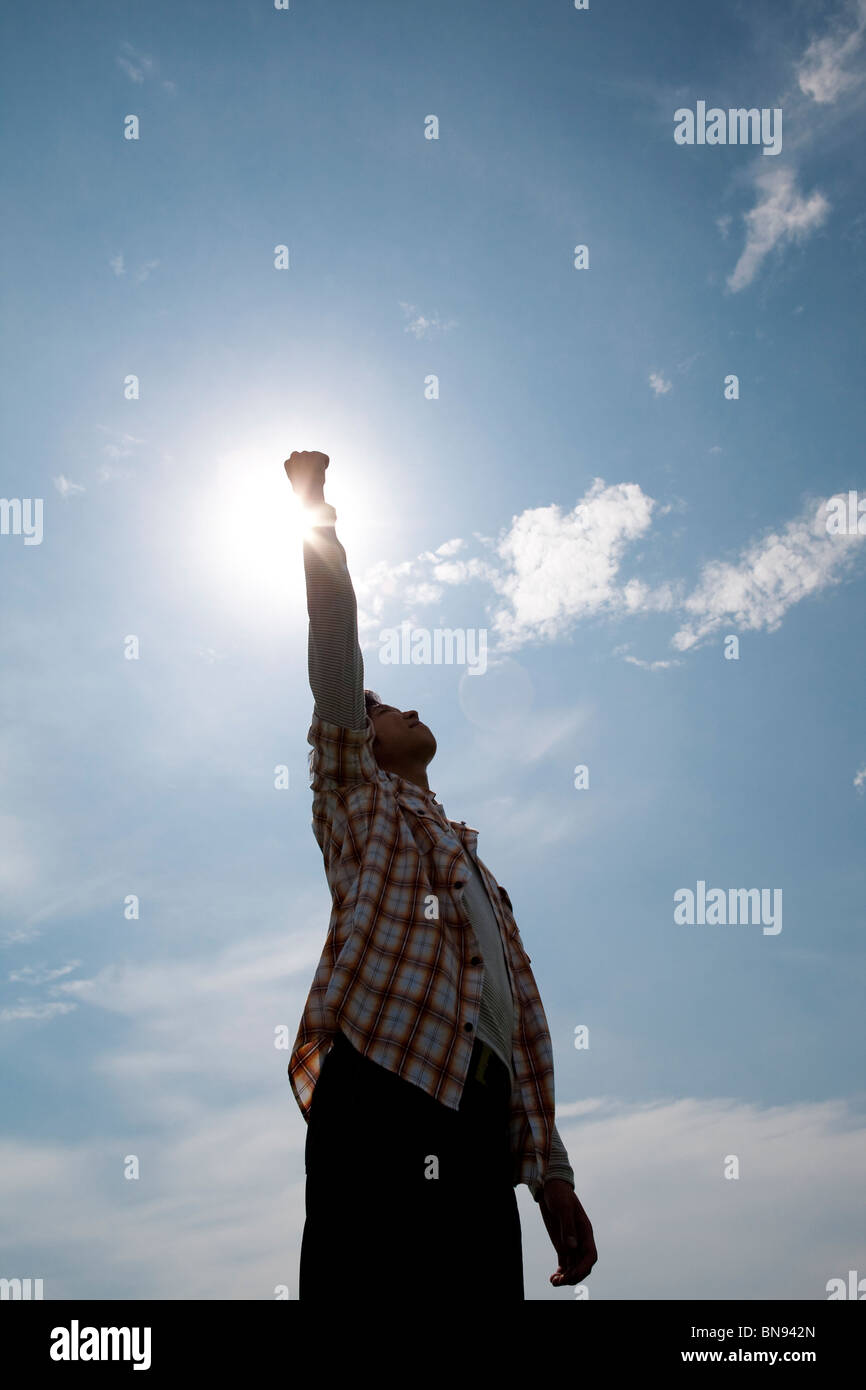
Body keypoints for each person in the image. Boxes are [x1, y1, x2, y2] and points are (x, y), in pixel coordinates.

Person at [284, 449, 597, 1301]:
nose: (406, 709)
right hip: (381, 1089)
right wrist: (316, 513)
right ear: (360, 738)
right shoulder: (357, 802)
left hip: (479, 1127)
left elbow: (519, 1030)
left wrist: (552, 1176)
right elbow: (337, 655)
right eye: (385, 710)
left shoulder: (479, 876)